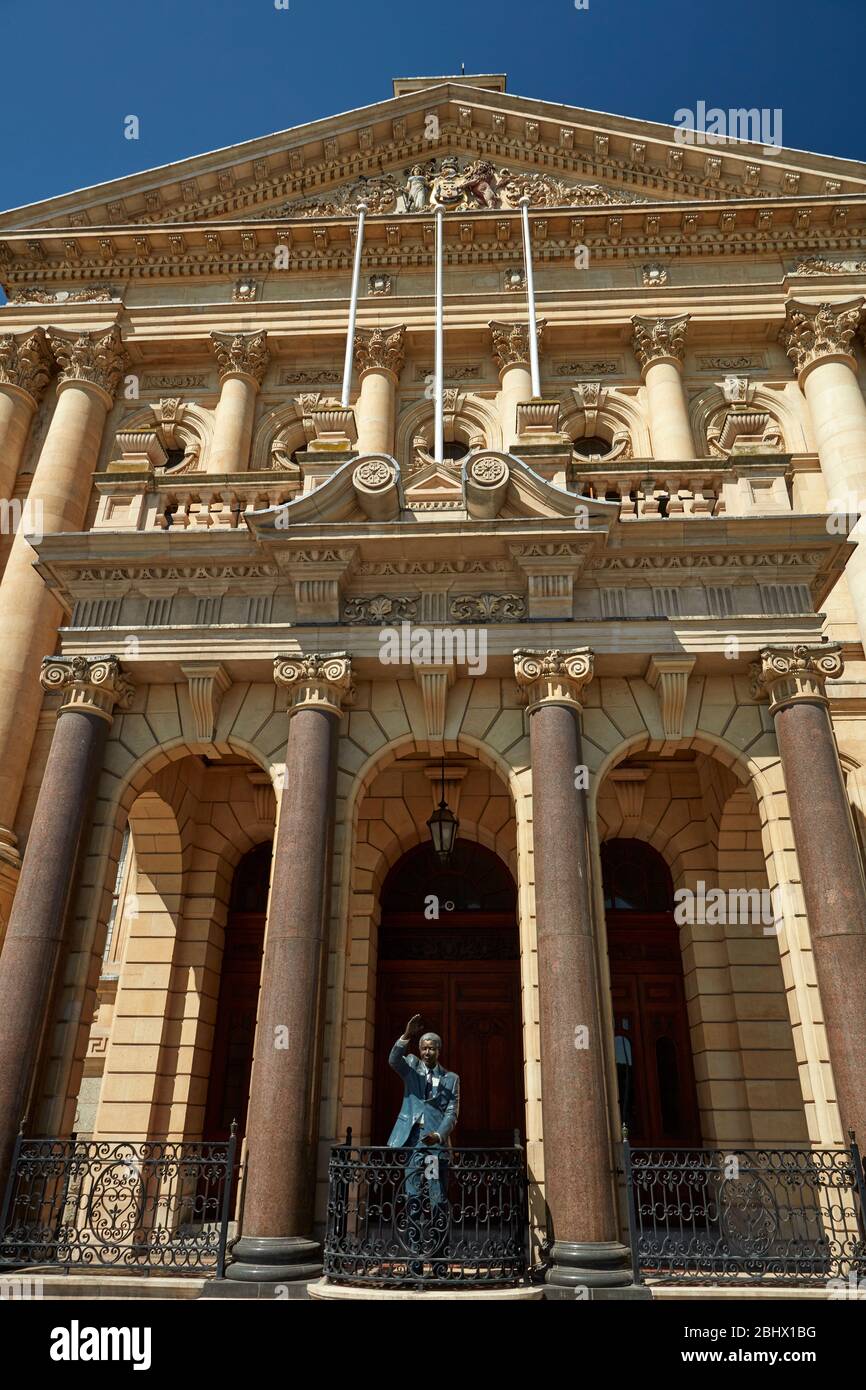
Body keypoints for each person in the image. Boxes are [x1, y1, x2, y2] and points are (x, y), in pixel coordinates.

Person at [388, 1014, 460, 1267]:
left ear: (439, 1051)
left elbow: (452, 1112)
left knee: (437, 1198)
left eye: (432, 1048)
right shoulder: (411, 1068)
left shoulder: (451, 1079)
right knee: (413, 1199)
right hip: (412, 1143)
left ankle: (440, 1260)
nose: (428, 1051)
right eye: (424, 1047)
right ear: (419, 1050)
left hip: (433, 1147)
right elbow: (394, 1060)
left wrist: (439, 1135)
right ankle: (415, 1259)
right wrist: (406, 1035)